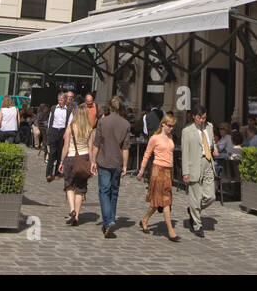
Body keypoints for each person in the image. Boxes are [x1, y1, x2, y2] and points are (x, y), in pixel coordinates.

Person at [90, 95, 131, 239]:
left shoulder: (102, 121)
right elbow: (125, 148)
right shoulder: (125, 124)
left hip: (104, 160)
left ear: (110, 107)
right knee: (113, 192)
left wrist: (93, 161)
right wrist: (125, 165)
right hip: (117, 162)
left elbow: (97, 143)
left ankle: (108, 221)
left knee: (104, 191)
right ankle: (110, 219)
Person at [137, 112, 180, 241]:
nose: (171, 128)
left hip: (168, 171)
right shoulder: (155, 138)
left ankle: (145, 219)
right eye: (169, 125)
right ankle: (171, 231)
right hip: (158, 170)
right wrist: (141, 171)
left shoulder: (171, 137)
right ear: (163, 124)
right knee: (165, 201)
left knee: (157, 203)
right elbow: (147, 154)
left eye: (173, 126)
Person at [181, 103, 216, 238]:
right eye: (199, 118)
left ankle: (193, 209)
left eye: (204, 118)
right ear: (194, 117)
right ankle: (197, 224)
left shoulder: (210, 127)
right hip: (194, 164)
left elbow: (211, 142)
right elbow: (185, 153)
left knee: (210, 196)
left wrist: (215, 148)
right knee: (195, 196)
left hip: (208, 162)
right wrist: (186, 172)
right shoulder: (187, 131)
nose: (202, 121)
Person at [61, 108, 96, 225]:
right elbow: (90, 148)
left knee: (69, 185)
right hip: (84, 158)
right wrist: (92, 163)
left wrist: (61, 161)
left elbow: (65, 146)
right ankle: (77, 216)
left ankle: (72, 210)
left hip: (71, 157)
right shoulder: (89, 128)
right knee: (80, 188)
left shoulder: (70, 127)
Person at [45, 94, 71, 182]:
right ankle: (48, 173)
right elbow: (50, 121)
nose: (60, 102)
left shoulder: (68, 110)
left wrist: (67, 133)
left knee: (60, 154)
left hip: (63, 132)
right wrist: (49, 132)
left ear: (65, 100)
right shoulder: (53, 108)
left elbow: (70, 123)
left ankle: (57, 173)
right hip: (54, 131)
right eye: (59, 100)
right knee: (52, 153)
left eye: (61, 100)